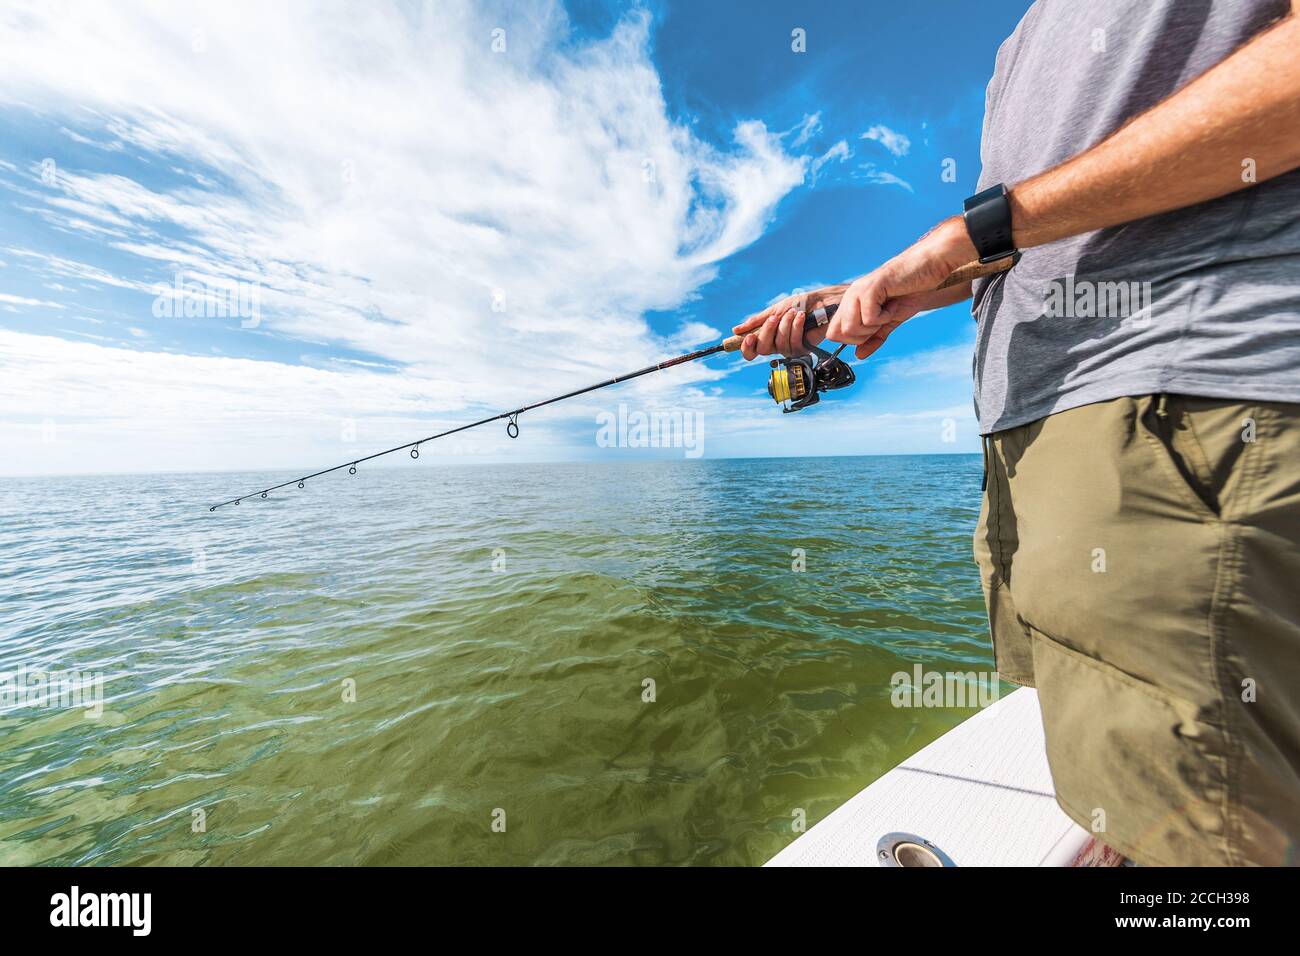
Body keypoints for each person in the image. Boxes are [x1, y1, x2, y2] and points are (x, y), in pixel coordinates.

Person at [734, 0, 1300, 866]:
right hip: (1034, 435)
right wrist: (878, 287)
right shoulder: (1019, 44)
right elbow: (1033, 239)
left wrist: (976, 229)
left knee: (1211, 839)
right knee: (1128, 781)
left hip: (1175, 399)